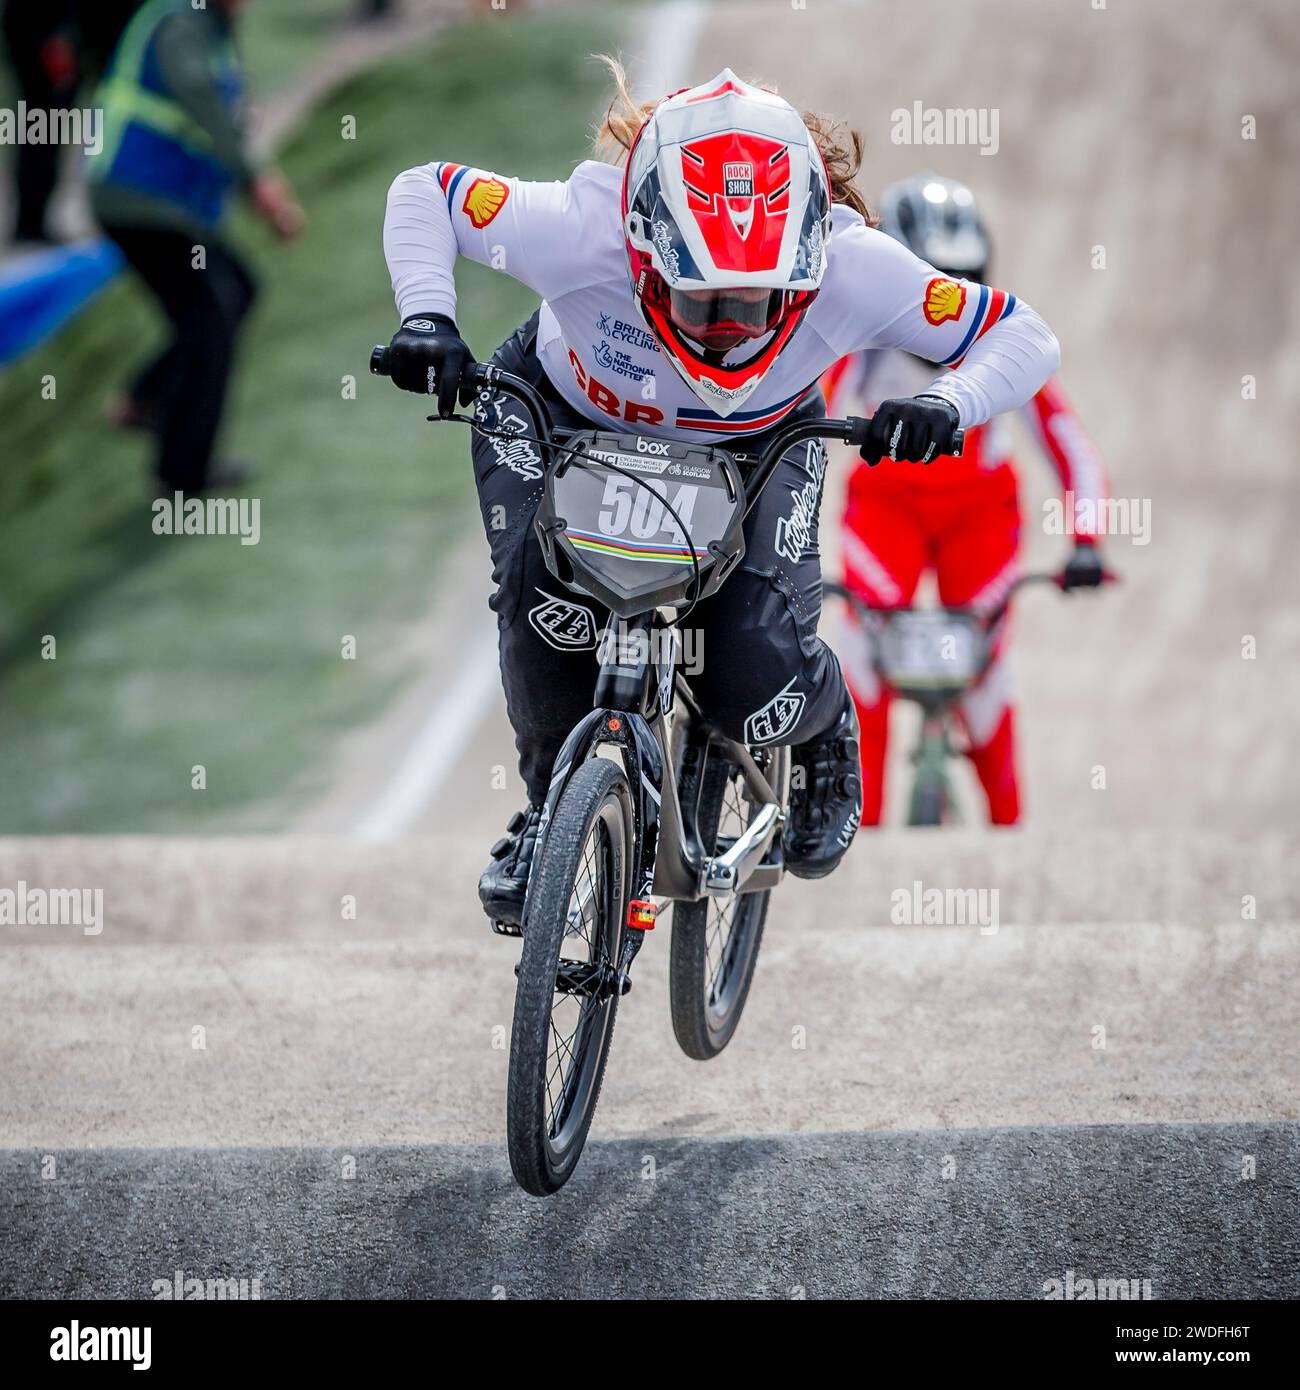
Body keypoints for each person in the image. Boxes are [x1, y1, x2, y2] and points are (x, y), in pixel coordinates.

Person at [381, 67, 1062, 927]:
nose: (729, 328)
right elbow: (428, 193)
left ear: (810, 259)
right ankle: (551, 810)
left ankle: (818, 721)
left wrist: (944, 404)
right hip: (560, 414)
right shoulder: (581, 223)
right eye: (703, 298)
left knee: (748, 661)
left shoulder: (857, 267)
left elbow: (1023, 333)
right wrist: (427, 316)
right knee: (541, 605)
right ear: (640, 245)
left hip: (754, 450)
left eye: (756, 300)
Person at [828, 173, 1109, 826]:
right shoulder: (860, 338)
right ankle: (857, 839)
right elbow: (806, 412)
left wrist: (1088, 540)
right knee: (862, 665)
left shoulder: (1003, 340)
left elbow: (1072, 448)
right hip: (885, 511)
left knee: (984, 688)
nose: (942, 303)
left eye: (959, 280)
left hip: (980, 520)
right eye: (926, 279)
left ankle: (1011, 848)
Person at [87, 0, 303, 493]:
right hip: (140, 201)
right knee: (210, 320)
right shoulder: (181, 21)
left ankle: (145, 398)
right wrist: (260, 186)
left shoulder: (211, 29)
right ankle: (180, 474)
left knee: (235, 292)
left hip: (169, 208)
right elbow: (201, 101)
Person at [1, 0, 78, 245]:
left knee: (43, 134)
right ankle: (30, 222)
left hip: (41, 42)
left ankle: (33, 220)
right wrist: (53, 42)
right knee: (41, 135)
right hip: (41, 46)